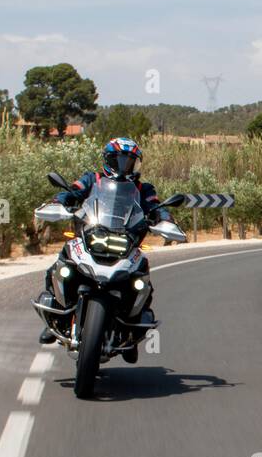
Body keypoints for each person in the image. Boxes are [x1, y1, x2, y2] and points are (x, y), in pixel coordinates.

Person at [37, 137, 168, 344]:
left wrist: (164, 220)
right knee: (61, 264)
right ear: (108, 160)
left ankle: (132, 324)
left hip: (126, 240)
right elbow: (73, 191)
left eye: (129, 161)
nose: (124, 166)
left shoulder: (144, 189)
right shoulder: (92, 179)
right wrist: (60, 202)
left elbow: (156, 207)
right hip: (92, 233)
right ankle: (56, 317)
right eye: (119, 160)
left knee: (143, 279)